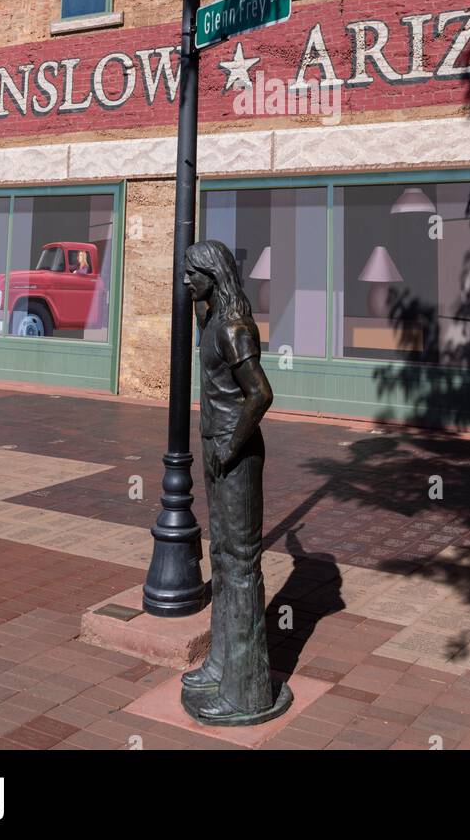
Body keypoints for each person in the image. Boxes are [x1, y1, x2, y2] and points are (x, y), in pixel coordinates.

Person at [179, 239, 291, 724]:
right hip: (216, 450)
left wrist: (228, 446)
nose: (185, 282)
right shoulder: (209, 321)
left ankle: (246, 691)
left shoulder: (233, 327)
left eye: (191, 274)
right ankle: (222, 664)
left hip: (236, 455)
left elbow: (261, 394)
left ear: (213, 275)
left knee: (242, 565)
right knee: (222, 558)